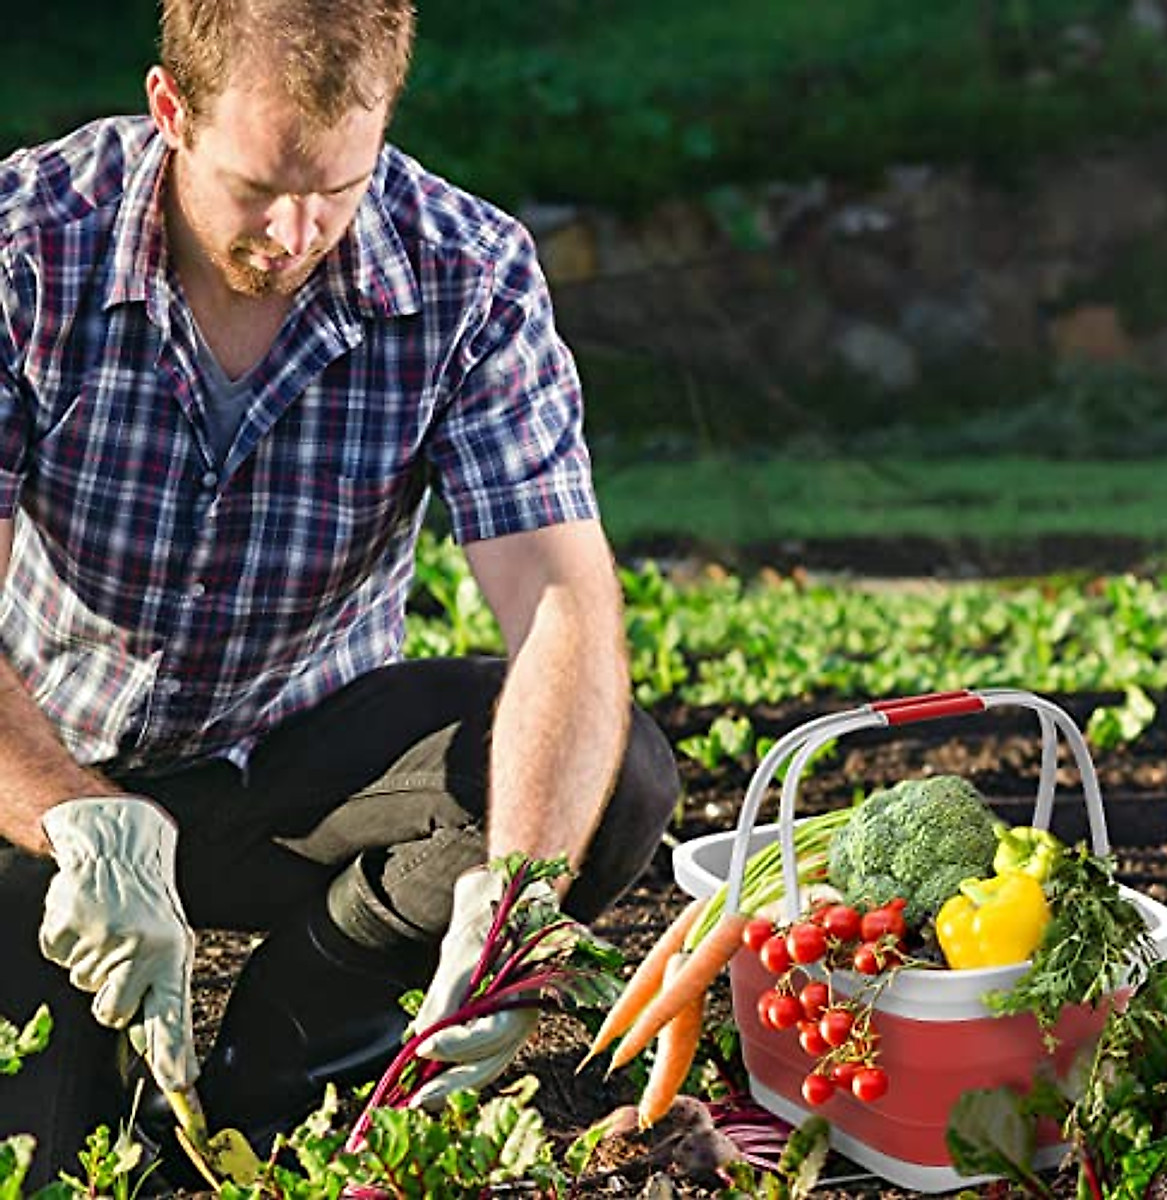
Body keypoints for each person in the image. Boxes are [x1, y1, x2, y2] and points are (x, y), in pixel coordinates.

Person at [0, 0, 680, 1186]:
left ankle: (282, 1073)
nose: (299, 232)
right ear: (170, 110)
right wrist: (75, 815)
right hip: (51, 786)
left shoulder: (465, 273)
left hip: (297, 766)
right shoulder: (25, 245)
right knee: (47, 1162)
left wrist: (515, 893)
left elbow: (563, 604)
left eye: (341, 187)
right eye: (259, 187)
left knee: (614, 779)